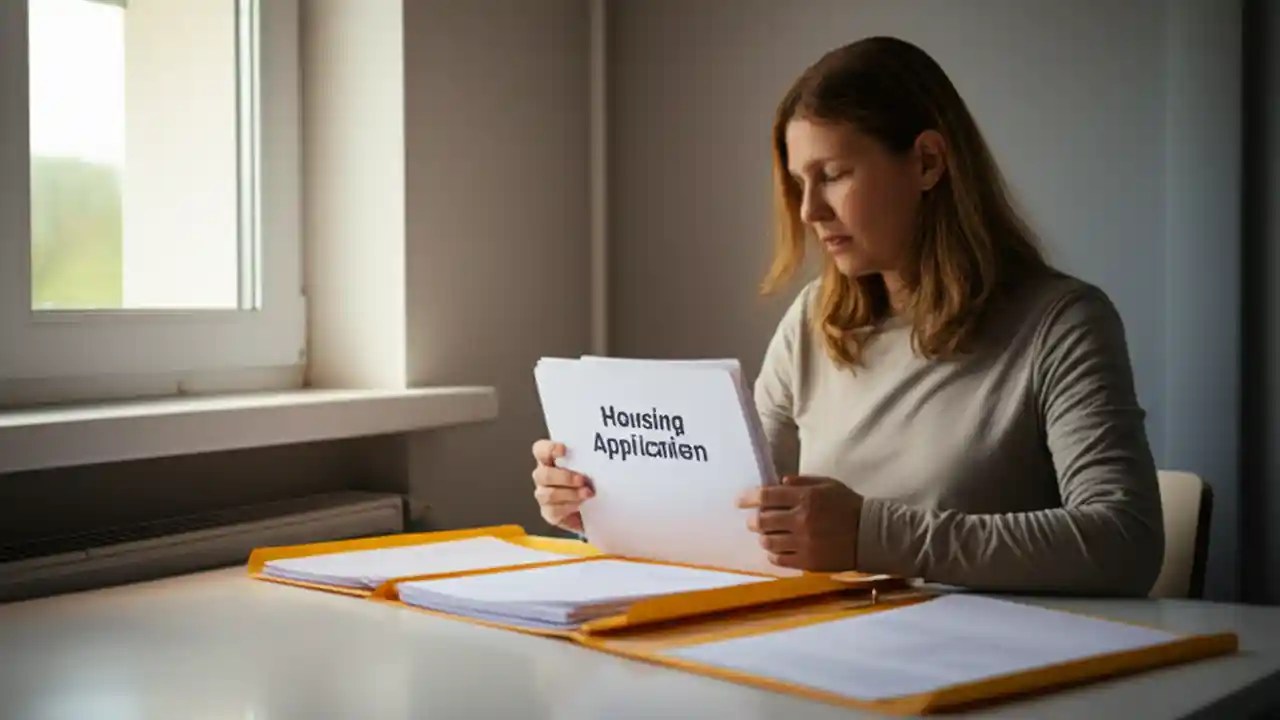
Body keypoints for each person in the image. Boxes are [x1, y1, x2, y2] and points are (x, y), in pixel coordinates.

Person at [530, 36, 1163, 596]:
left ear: (927, 163)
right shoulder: (812, 324)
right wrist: (607, 507)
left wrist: (871, 534)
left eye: (832, 175)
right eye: (797, 182)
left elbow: (1124, 543)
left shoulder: (1063, 324)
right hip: (833, 655)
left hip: (988, 670)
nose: (808, 211)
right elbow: (734, 516)